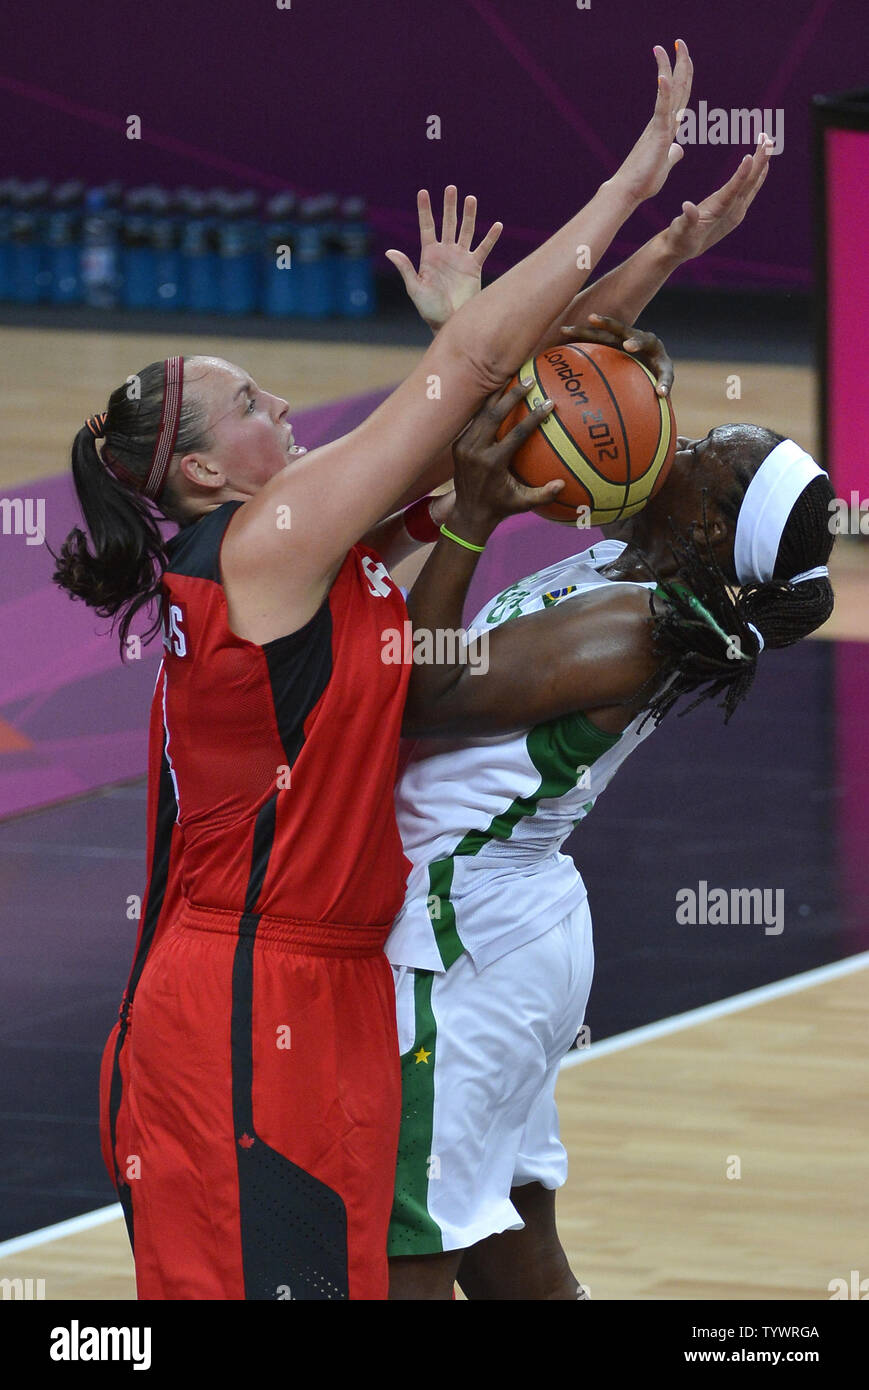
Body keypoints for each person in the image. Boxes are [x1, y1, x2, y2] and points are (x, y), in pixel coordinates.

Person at [50, 39, 697, 1301]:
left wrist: (659, 252)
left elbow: (513, 403)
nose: (281, 405)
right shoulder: (264, 546)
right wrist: (623, 180)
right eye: (248, 404)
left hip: (316, 979)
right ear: (201, 474)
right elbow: (457, 380)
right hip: (247, 989)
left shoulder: (298, 544)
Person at [382, 140, 835, 1299]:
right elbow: (570, 377)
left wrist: (471, 522)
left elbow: (425, 688)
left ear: (708, 520)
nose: (680, 438)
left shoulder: (623, 629)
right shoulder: (656, 564)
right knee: (512, 1234)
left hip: (463, 933)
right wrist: (666, 245)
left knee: (414, 1241)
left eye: (705, 454)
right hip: (514, 927)